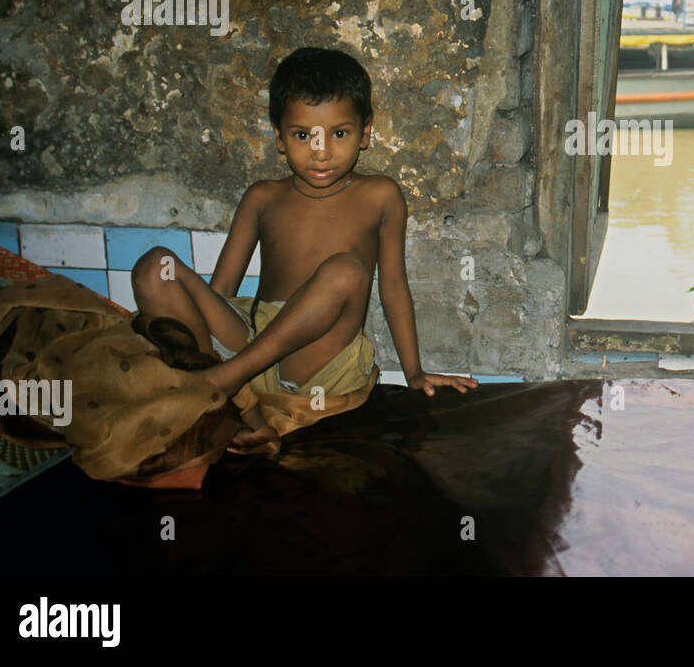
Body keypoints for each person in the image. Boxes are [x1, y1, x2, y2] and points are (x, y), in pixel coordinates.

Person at [130, 46, 478, 450]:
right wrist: (204, 338)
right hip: (254, 342)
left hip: (320, 360)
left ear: (365, 133)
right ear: (279, 138)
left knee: (346, 270)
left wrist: (413, 371)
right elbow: (220, 292)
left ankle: (224, 385)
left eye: (339, 133)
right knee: (156, 266)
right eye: (301, 135)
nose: (321, 151)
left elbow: (394, 289)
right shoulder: (262, 197)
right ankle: (242, 406)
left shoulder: (381, 196)